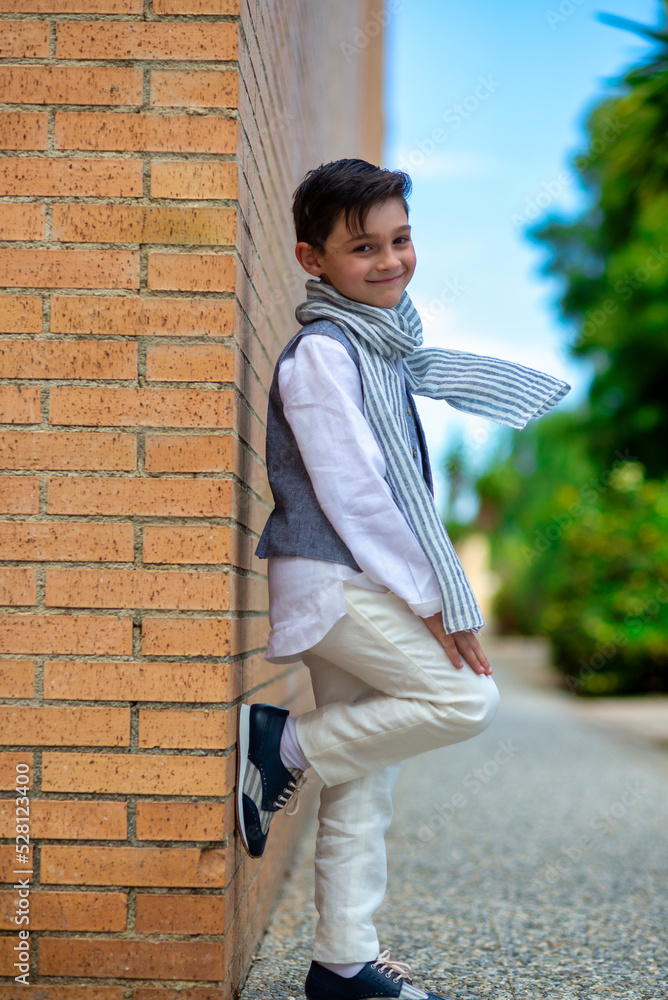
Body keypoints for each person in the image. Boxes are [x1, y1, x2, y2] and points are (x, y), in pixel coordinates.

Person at [236, 158, 570, 1000]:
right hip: (335, 582)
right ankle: (282, 745)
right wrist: (434, 602)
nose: (389, 261)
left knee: (364, 783)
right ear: (314, 261)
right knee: (463, 699)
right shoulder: (322, 354)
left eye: (401, 240)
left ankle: (342, 961)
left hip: (360, 582)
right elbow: (357, 498)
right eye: (363, 249)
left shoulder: (385, 352)